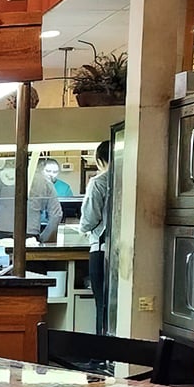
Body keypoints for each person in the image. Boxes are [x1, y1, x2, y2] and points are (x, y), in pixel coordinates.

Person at [0, 164, 62, 244]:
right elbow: (56, 215)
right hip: (29, 233)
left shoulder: (4, 177)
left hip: (2, 231)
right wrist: (44, 237)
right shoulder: (45, 181)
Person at [80, 140, 110, 335]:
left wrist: (82, 229)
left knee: (102, 304)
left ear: (100, 160)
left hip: (101, 250)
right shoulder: (128, 179)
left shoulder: (98, 182)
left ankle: (101, 347)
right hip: (122, 249)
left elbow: (89, 219)